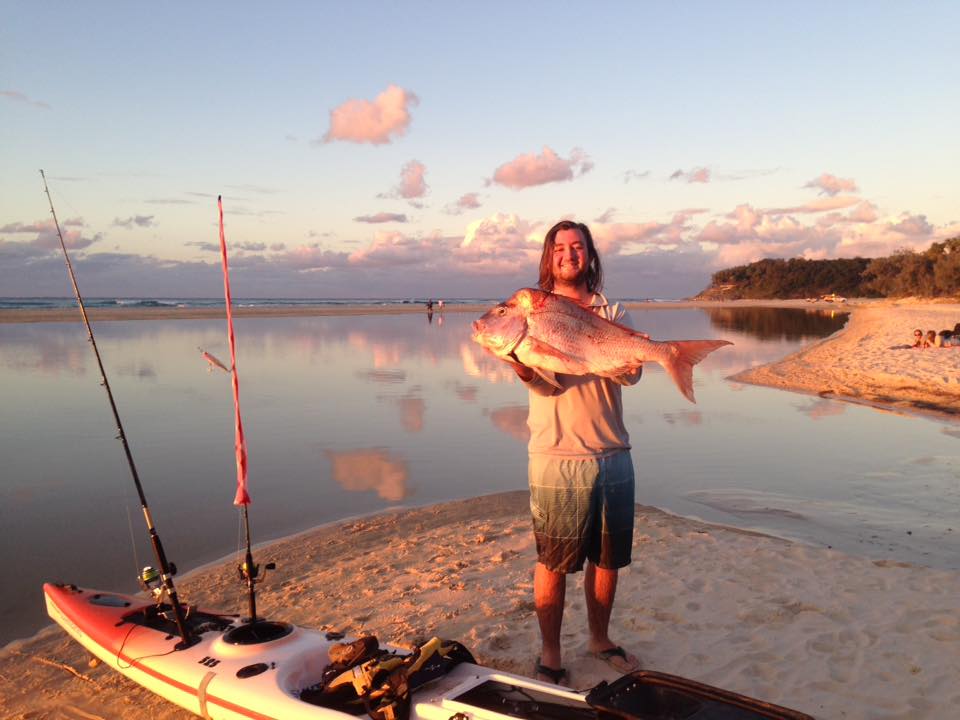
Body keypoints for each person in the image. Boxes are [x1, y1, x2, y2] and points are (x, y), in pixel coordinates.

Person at [505, 220, 642, 685]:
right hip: (556, 454)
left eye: (577, 246)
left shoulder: (612, 310)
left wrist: (636, 357)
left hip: (612, 450)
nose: (568, 254)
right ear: (549, 257)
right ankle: (550, 652)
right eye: (559, 247)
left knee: (607, 558)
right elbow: (548, 383)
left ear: (589, 254)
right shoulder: (533, 313)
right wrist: (522, 368)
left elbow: (630, 375)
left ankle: (600, 640)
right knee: (554, 560)